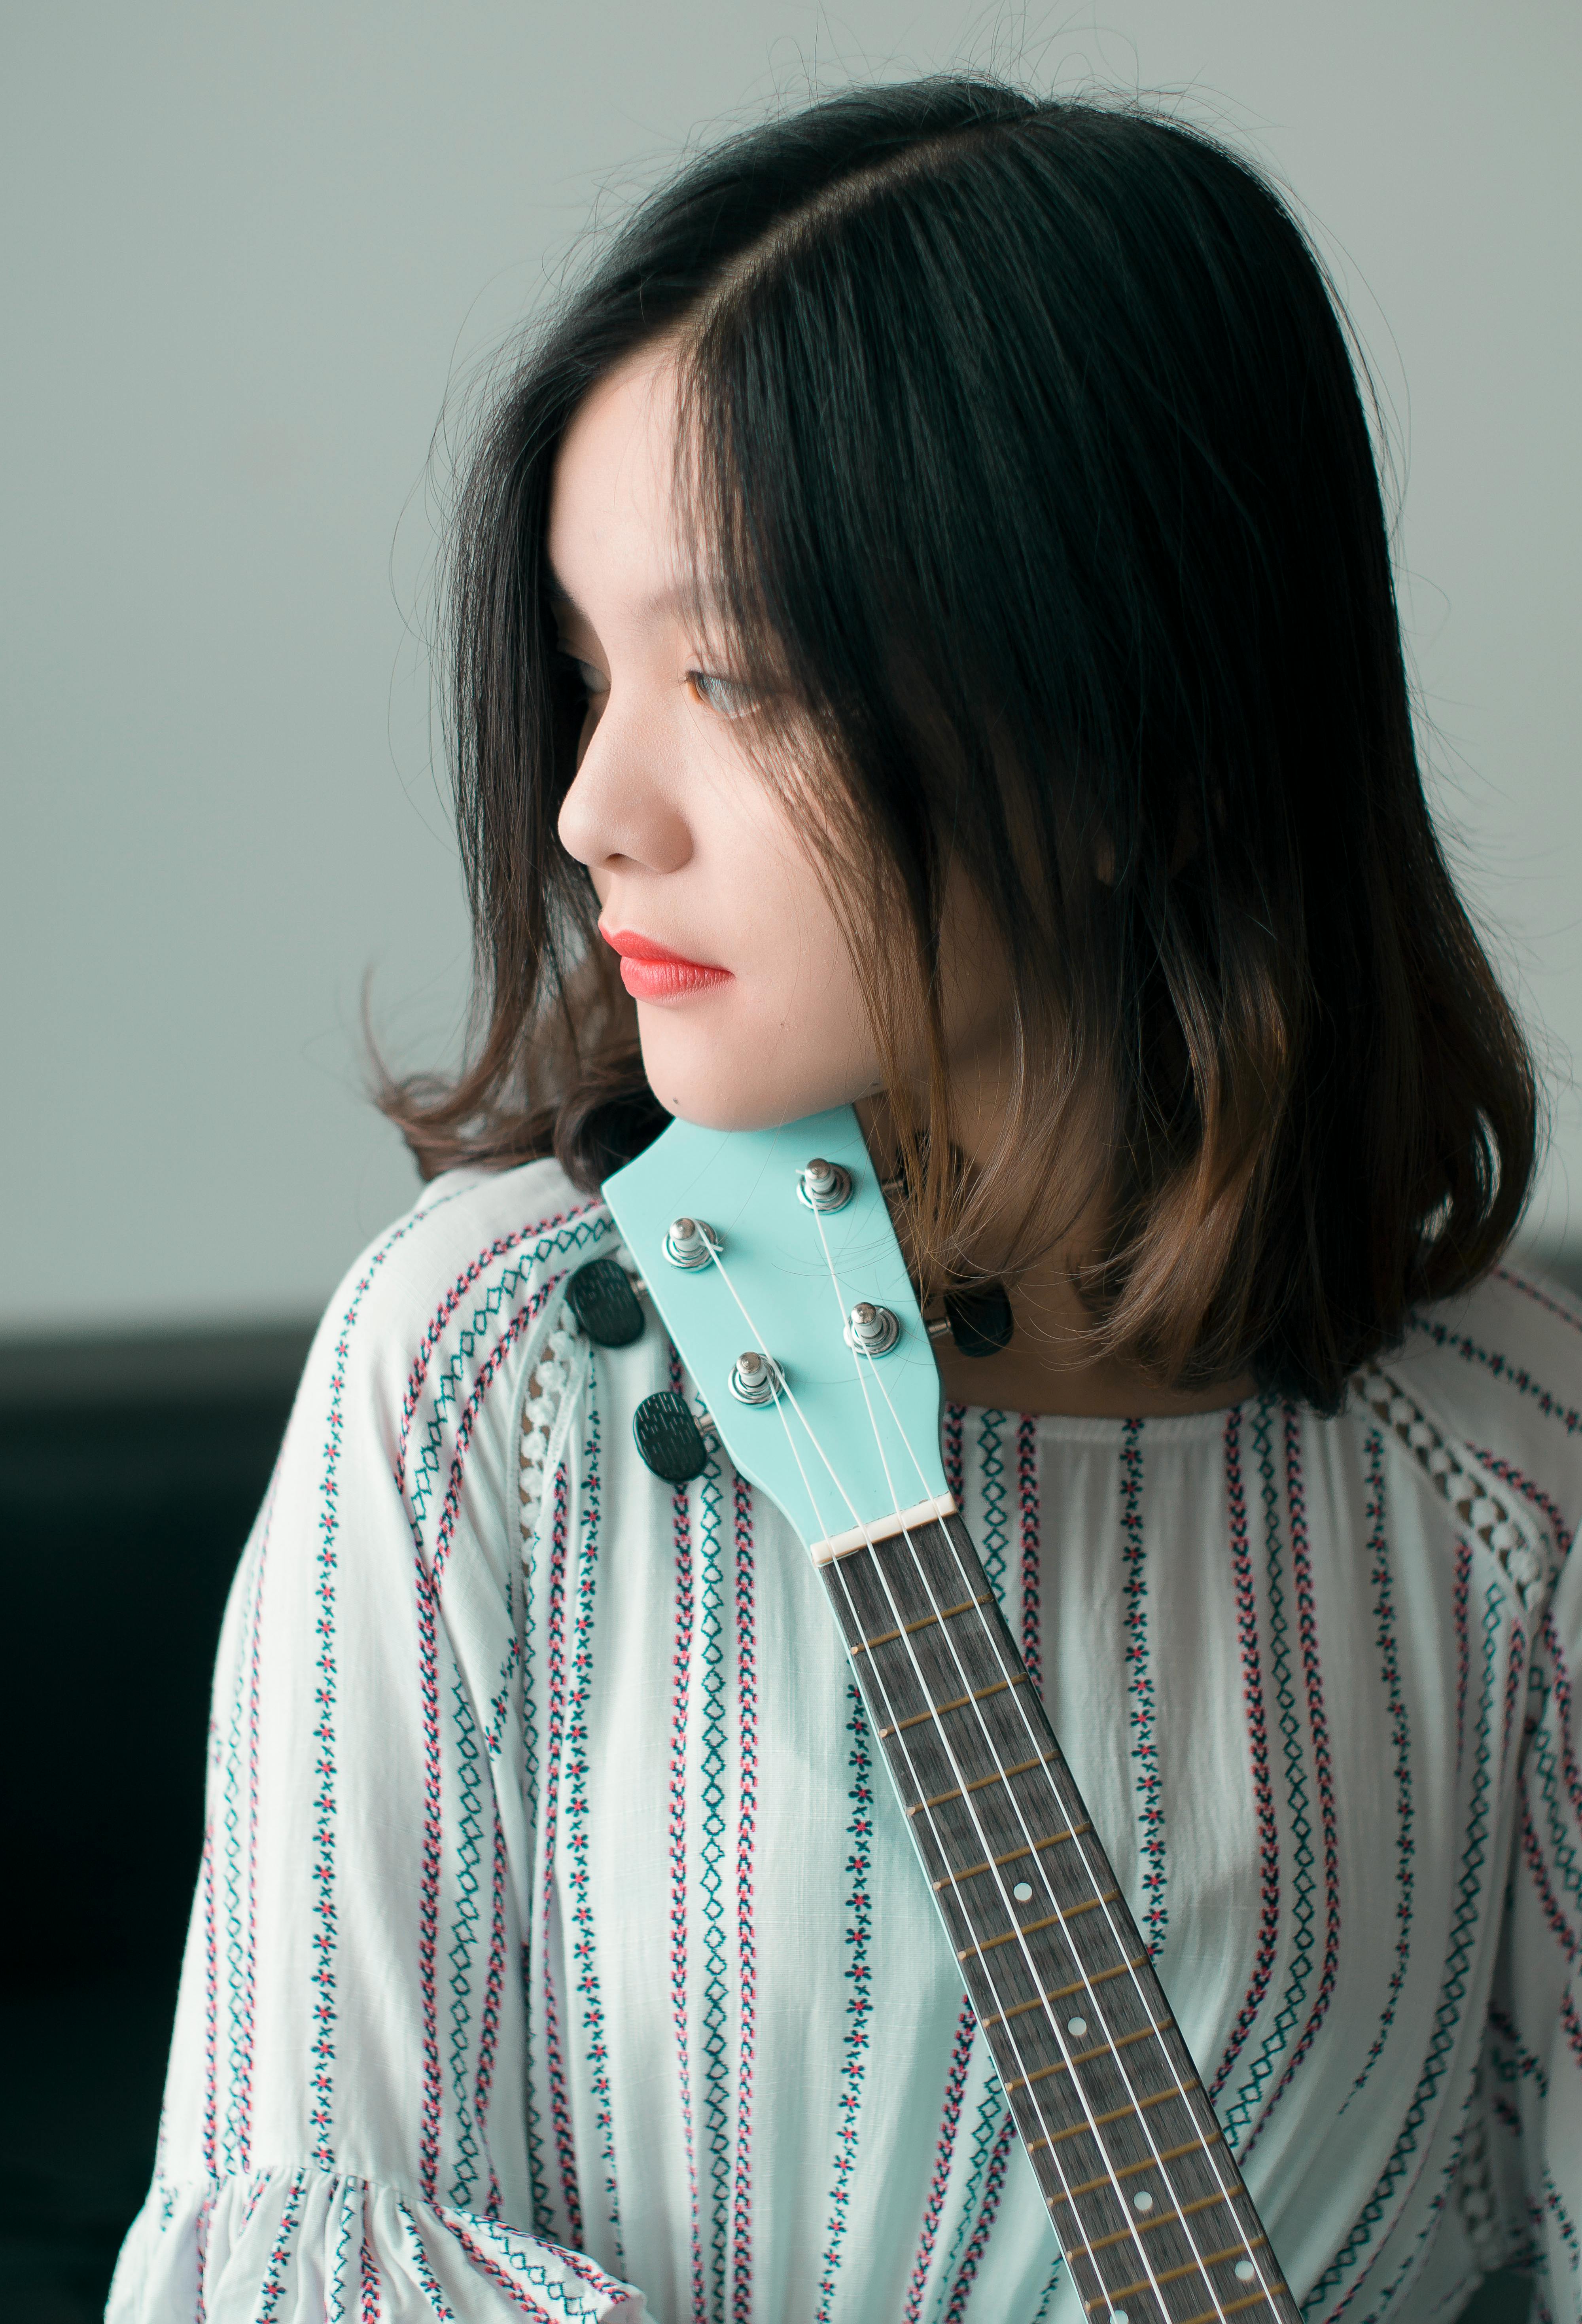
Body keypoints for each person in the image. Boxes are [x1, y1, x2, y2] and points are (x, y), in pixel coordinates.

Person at [108, 74, 1580, 2324]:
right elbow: (289, 2256)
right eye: (594, 673)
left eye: (739, 678)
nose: (598, 805)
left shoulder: (1513, 1486)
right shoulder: (486, 1367)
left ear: (1146, 748)